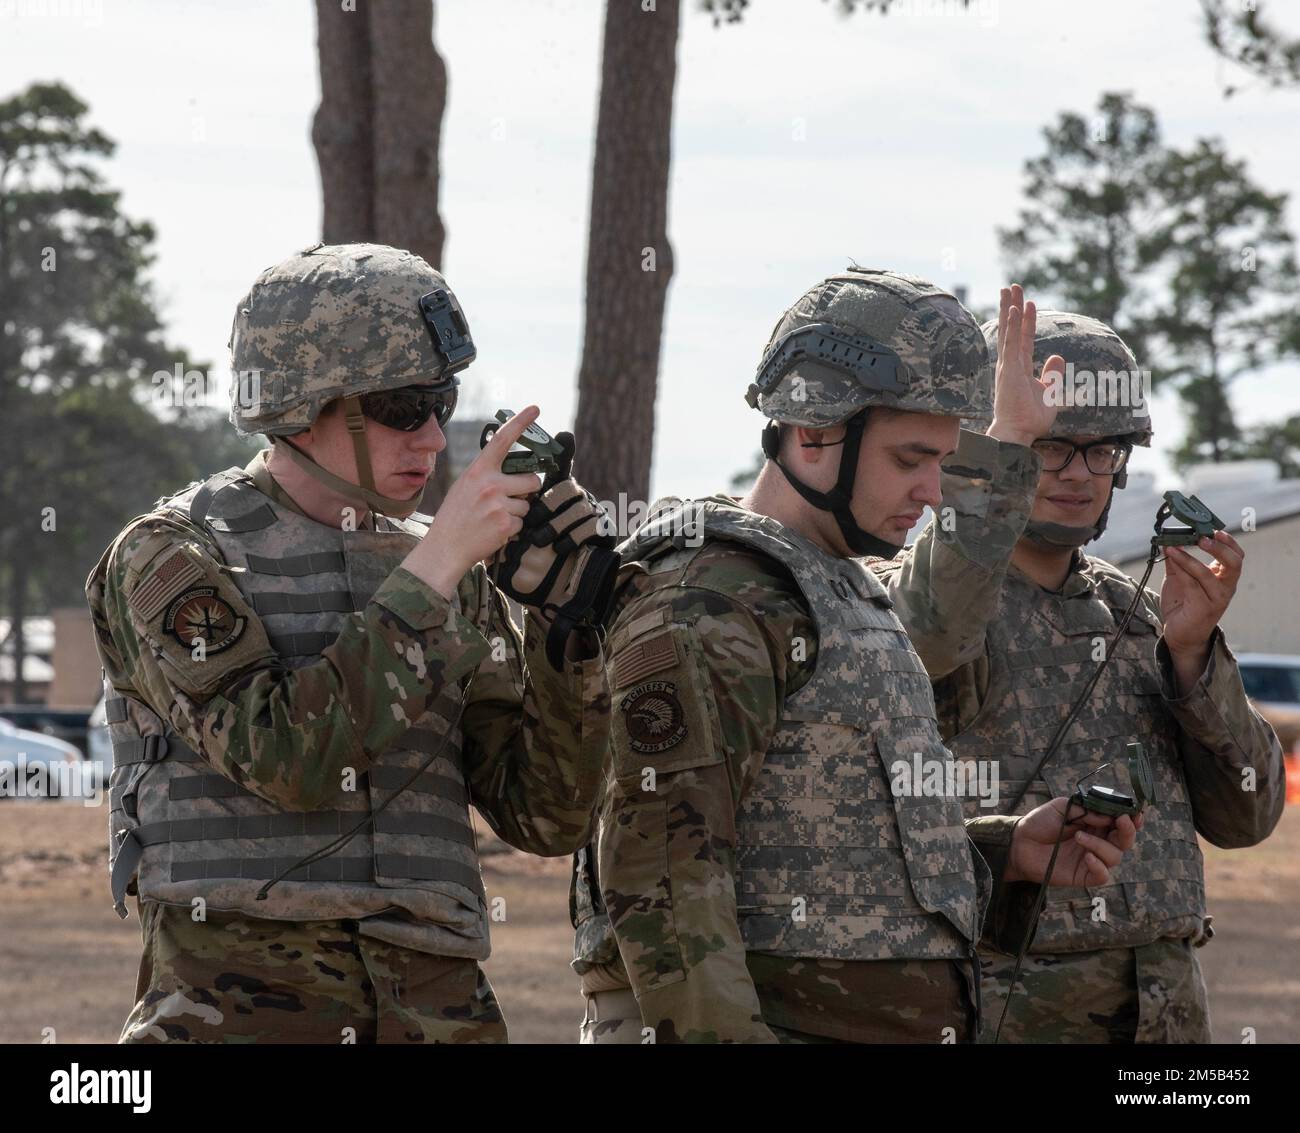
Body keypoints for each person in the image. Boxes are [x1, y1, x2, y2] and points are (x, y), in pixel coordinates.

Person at [570, 269, 1140, 1044]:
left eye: (943, 460)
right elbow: (665, 879)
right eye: (911, 459)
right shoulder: (712, 597)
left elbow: (828, 845)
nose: (934, 490)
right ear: (813, 433)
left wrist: (1002, 852)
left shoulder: (842, 590)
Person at [85, 242, 615, 1043]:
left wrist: (565, 628)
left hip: (440, 1007)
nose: (435, 439)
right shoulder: (174, 554)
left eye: (444, 401)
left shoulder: (445, 567)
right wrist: (435, 566)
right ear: (302, 404)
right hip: (238, 1005)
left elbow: (544, 814)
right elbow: (287, 759)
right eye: (405, 407)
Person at [873, 290, 1286, 1042]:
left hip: (1163, 1016)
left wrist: (1191, 654)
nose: (1078, 472)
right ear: (995, 443)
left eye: (1104, 450)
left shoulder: (1143, 616)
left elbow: (1247, 816)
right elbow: (922, 642)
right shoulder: (920, 600)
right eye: (1053, 445)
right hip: (999, 1006)